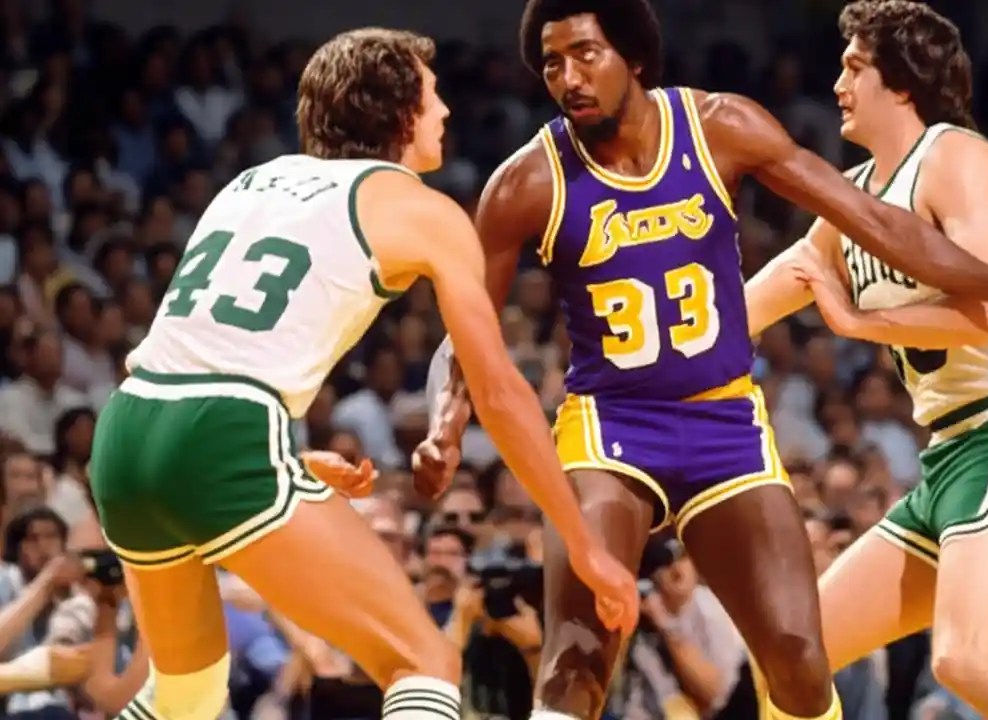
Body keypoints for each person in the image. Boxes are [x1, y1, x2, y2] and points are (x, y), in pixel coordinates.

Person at [412, 1, 988, 718]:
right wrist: (446, 421)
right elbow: (463, 329)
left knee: (799, 655)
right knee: (578, 652)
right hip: (610, 429)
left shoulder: (721, 126)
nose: (568, 76)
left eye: (585, 54)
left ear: (634, 57)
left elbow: (879, 227)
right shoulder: (525, 182)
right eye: (552, 63)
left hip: (726, 425)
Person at [86, 28, 636, 720]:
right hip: (222, 435)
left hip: (129, 429)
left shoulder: (248, 182)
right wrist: (583, 547)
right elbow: (495, 389)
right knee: (423, 663)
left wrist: (273, 455)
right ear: (401, 111)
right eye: (434, 98)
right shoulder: (424, 210)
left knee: (186, 693)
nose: (445, 113)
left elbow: (180, 356)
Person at [746, 2, 988, 719]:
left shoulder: (956, 158)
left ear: (900, 82)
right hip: (948, 458)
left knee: (968, 659)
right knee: (792, 658)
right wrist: (646, 360)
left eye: (854, 67)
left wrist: (859, 322)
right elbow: (764, 297)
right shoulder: (857, 197)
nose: (837, 82)